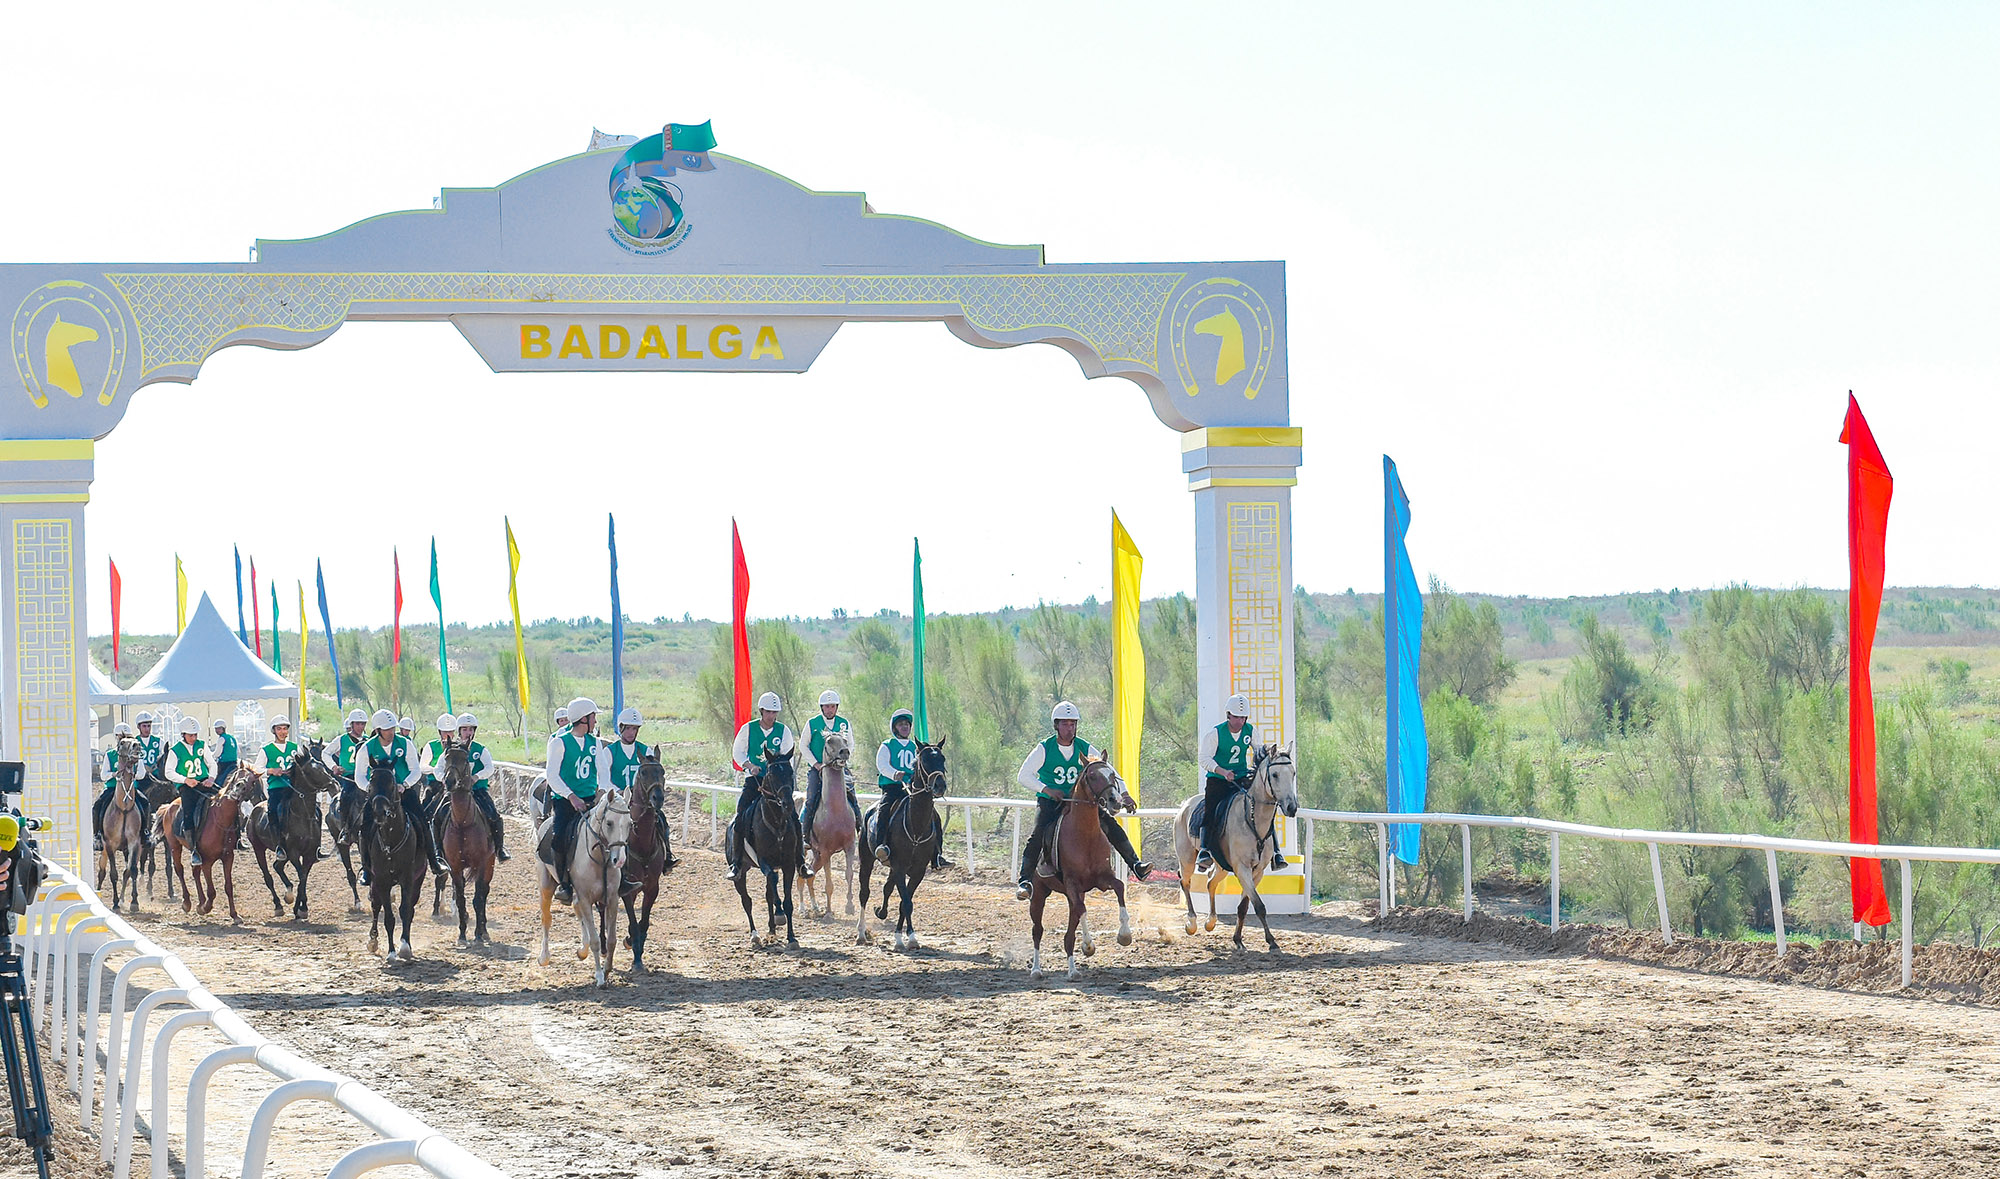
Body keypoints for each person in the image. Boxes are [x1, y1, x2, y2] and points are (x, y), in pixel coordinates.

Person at [1013, 701, 1150, 899]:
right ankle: (1025, 881)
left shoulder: (1084, 747)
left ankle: (1136, 864)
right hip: (1051, 802)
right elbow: (1024, 775)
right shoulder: (1044, 748)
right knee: (1038, 833)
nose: (1070, 729)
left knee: (1110, 825)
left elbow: (1108, 771)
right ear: (1056, 726)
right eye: (1065, 724)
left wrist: (1124, 793)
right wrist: (1047, 789)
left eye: (1073, 724)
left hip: (1080, 802)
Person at [355, 708, 447, 885]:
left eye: (393, 728)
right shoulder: (367, 748)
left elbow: (415, 770)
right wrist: (370, 789)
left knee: (422, 822)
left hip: (403, 793)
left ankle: (434, 862)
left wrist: (404, 785)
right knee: (364, 827)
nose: (391, 732)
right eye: (388, 729)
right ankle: (366, 869)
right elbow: (359, 776)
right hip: (379, 797)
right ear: (378, 730)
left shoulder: (405, 744)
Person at [1194, 694, 1283, 873]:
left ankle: (1276, 853)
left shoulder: (1250, 731)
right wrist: (1222, 771)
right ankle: (1204, 850)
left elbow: (1258, 750)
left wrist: (1267, 752)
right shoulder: (1216, 733)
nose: (1240, 721)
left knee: (1264, 810)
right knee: (1210, 809)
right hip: (1218, 780)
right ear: (1228, 715)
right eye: (1236, 717)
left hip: (1242, 777)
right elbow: (1204, 758)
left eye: (1243, 717)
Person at [724, 692, 807, 878]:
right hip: (754, 781)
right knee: (740, 815)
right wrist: (749, 766)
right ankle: (736, 863)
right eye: (768, 711)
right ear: (761, 711)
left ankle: (800, 861)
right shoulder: (748, 729)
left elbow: (787, 757)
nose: (771, 716)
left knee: (794, 817)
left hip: (777, 784)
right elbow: (738, 752)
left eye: (774, 712)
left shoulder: (783, 731)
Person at [544, 697, 610, 903]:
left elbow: (603, 771)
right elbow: (552, 776)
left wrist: (603, 791)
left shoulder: (595, 743)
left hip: (592, 799)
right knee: (559, 837)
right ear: (584, 719)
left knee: (616, 831)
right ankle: (564, 884)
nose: (595, 722)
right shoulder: (559, 743)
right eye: (593, 717)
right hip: (566, 801)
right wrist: (571, 796)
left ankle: (619, 878)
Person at [870, 708, 950, 869]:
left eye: (906, 724)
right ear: (895, 728)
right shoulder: (887, 745)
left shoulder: (917, 747)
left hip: (913, 789)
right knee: (884, 810)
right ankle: (881, 846)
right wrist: (895, 774)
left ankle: (937, 855)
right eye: (901, 725)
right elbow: (882, 765)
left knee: (934, 816)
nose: (905, 727)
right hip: (892, 789)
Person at [606, 706, 675, 878]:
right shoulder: (610, 751)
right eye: (628, 728)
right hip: (617, 800)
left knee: (662, 821)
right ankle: (605, 860)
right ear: (621, 728)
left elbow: (654, 777)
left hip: (642, 801)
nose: (631, 732)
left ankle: (667, 856)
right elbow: (603, 779)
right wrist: (618, 792)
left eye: (634, 729)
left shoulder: (647, 751)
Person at [801, 690, 862, 842]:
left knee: (851, 795)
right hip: (819, 769)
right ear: (822, 708)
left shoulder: (844, 723)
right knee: (811, 798)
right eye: (827, 707)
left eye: (833, 706)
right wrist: (816, 764)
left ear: (837, 707)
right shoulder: (812, 723)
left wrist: (843, 760)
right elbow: (803, 745)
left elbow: (850, 744)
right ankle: (805, 835)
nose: (830, 710)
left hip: (840, 769)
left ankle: (859, 829)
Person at [455, 712, 509, 862]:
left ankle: (499, 849)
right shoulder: (452, 749)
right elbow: (441, 768)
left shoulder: (480, 749)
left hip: (477, 791)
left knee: (494, 816)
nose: (468, 733)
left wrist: (476, 777)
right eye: (465, 729)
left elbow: (489, 768)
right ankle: (437, 851)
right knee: (438, 816)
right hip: (456, 793)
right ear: (459, 731)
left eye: (471, 729)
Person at [91, 722, 153, 851]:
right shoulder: (110, 754)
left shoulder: (136, 755)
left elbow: (142, 773)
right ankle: (97, 835)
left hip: (130, 788)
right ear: (117, 738)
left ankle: (145, 832)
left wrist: (133, 775)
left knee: (145, 803)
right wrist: (114, 774)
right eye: (121, 737)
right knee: (97, 805)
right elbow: (103, 775)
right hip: (112, 788)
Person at [164, 717, 216, 865]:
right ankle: (194, 850)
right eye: (190, 735)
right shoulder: (175, 750)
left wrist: (211, 778)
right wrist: (185, 780)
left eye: (195, 735)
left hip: (204, 782)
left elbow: (211, 763)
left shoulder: (202, 745)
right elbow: (168, 772)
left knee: (225, 800)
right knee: (188, 812)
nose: (193, 738)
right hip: (187, 786)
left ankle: (236, 837)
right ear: (183, 734)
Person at [256, 716, 305, 858]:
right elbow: (257, 768)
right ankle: (279, 844)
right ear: (274, 731)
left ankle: (315, 844)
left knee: (313, 808)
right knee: (273, 811)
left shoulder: (295, 747)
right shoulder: (266, 749)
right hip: (276, 787)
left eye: (285, 728)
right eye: (279, 729)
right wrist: (271, 771)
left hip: (294, 787)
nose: (283, 732)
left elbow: (304, 765)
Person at [322, 708, 371, 831]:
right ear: (352, 724)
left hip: (367, 776)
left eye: (363, 724)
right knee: (345, 798)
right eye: (357, 724)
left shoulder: (369, 740)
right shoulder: (342, 739)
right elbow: (325, 753)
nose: (360, 727)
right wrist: (334, 767)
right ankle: (345, 829)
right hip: (349, 777)